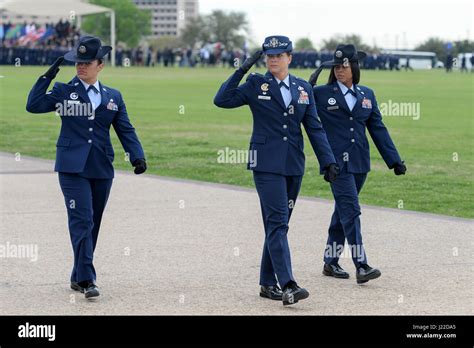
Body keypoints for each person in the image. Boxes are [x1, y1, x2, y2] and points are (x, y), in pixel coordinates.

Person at [214, 35, 338, 305]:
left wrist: (328, 161)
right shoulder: (256, 83)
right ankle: (289, 284)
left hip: (293, 164)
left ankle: (267, 283)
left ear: (289, 58)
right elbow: (221, 100)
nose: (273, 59)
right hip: (266, 164)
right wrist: (242, 69)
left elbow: (314, 128)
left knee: (278, 226)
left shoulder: (303, 88)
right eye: (269, 55)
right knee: (278, 223)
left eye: (278, 55)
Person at [26, 36, 147, 299]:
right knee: (82, 220)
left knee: (94, 224)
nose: (81, 67)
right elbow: (33, 105)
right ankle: (87, 279)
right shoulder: (62, 90)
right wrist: (51, 71)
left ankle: (76, 274)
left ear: (100, 65)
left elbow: (125, 129)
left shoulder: (113, 96)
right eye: (78, 62)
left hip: (101, 166)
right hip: (72, 167)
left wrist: (137, 156)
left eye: (87, 62)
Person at [311, 44, 406, 284]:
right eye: (337, 66)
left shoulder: (367, 95)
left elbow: (378, 129)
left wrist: (394, 160)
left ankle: (330, 262)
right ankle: (361, 265)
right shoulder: (321, 93)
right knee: (351, 211)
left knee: (342, 212)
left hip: (360, 163)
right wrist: (309, 83)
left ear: (354, 67)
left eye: (344, 66)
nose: (340, 70)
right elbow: (305, 113)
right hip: (336, 165)